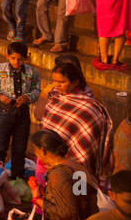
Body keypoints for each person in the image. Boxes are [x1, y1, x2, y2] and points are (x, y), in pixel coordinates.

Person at [42, 58, 115, 192]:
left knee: (77, 193)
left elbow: (91, 133)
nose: (56, 85)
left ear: (75, 82)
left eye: (62, 82)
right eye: (55, 81)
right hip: (53, 155)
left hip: (79, 159)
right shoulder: (54, 97)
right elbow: (46, 123)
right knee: (54, 191)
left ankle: (80, 206)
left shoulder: (88, 105)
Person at [0, 42, 41, 180]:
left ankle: (17, 178)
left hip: (23, 112)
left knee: (20, 148)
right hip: (5, 112)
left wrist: (28, 97)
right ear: (7, 56)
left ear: (26, 58)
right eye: (13, 58)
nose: (17, 62)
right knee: (0, 145)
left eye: (20, 59)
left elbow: (37, 90)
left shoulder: (32, 72)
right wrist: (0, 96)